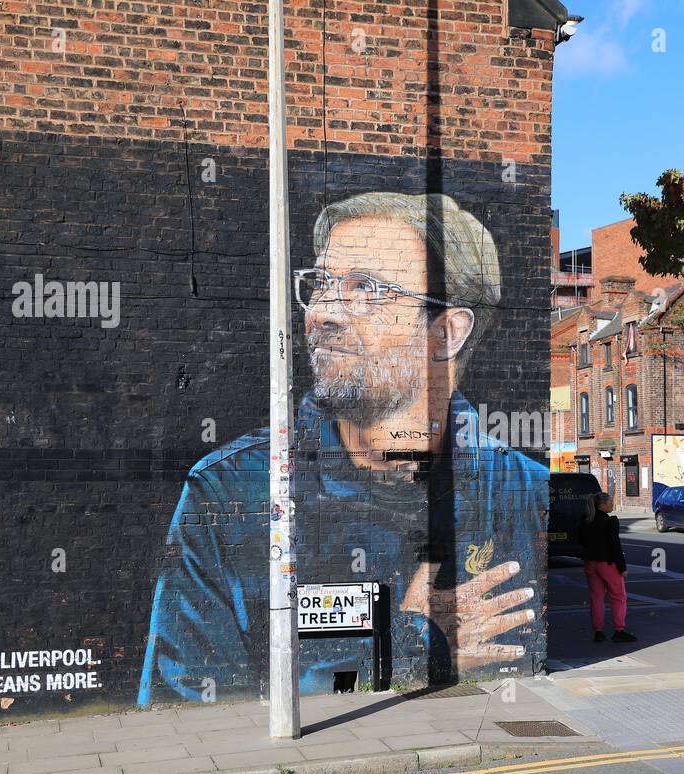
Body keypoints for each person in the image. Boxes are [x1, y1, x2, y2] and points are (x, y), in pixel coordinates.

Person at [138, 191, 546, 706]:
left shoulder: (519, 493)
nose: (324, 312)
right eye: (323, 284)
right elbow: (187, 707)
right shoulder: (233, 486)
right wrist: (409, 651)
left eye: (367, 290)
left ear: (446, 332)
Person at [578, 492, 635, 643]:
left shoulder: (586, 520)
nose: (612, 504)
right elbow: (615, 544)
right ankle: (619, 630)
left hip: (591, 563)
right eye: (610, 502)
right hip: (607, 563)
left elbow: (580, 540)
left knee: (596, 597)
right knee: (618, 596)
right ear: (602, 505)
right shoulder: (610, 522)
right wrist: (622, 567)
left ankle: (598, 631)